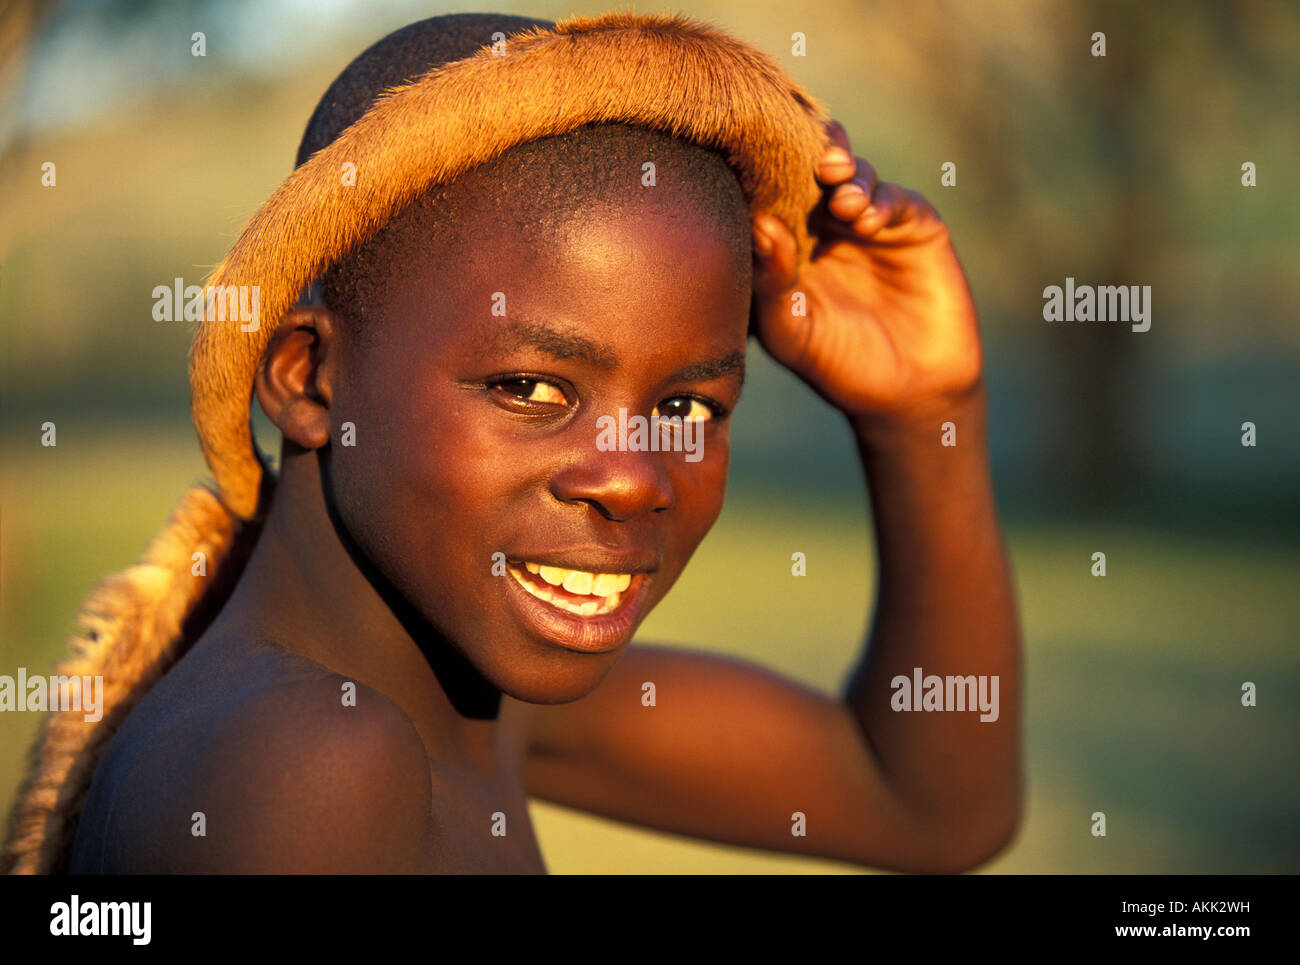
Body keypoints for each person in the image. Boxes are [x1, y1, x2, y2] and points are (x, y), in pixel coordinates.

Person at [4, 11, 1021, 874]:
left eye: (688, 407)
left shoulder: (460, 689)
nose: (630, 476)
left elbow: (921, 801)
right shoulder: (308, 757)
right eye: (531, 387)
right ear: (306, 376)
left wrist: (924, 410)